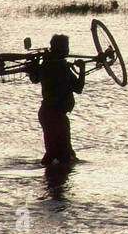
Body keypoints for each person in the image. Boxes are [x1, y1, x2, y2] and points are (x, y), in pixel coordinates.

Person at [28, 34, 86, 168]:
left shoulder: (48, 64)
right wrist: (82, 70)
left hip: (48, 114)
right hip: (55, 115)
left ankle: (51, 182)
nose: (68, 50)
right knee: (62, 155)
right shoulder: (60, 67)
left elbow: (35, 78)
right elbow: (78, 88)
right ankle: (54, 182)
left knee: (57, 152)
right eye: (66, 47)